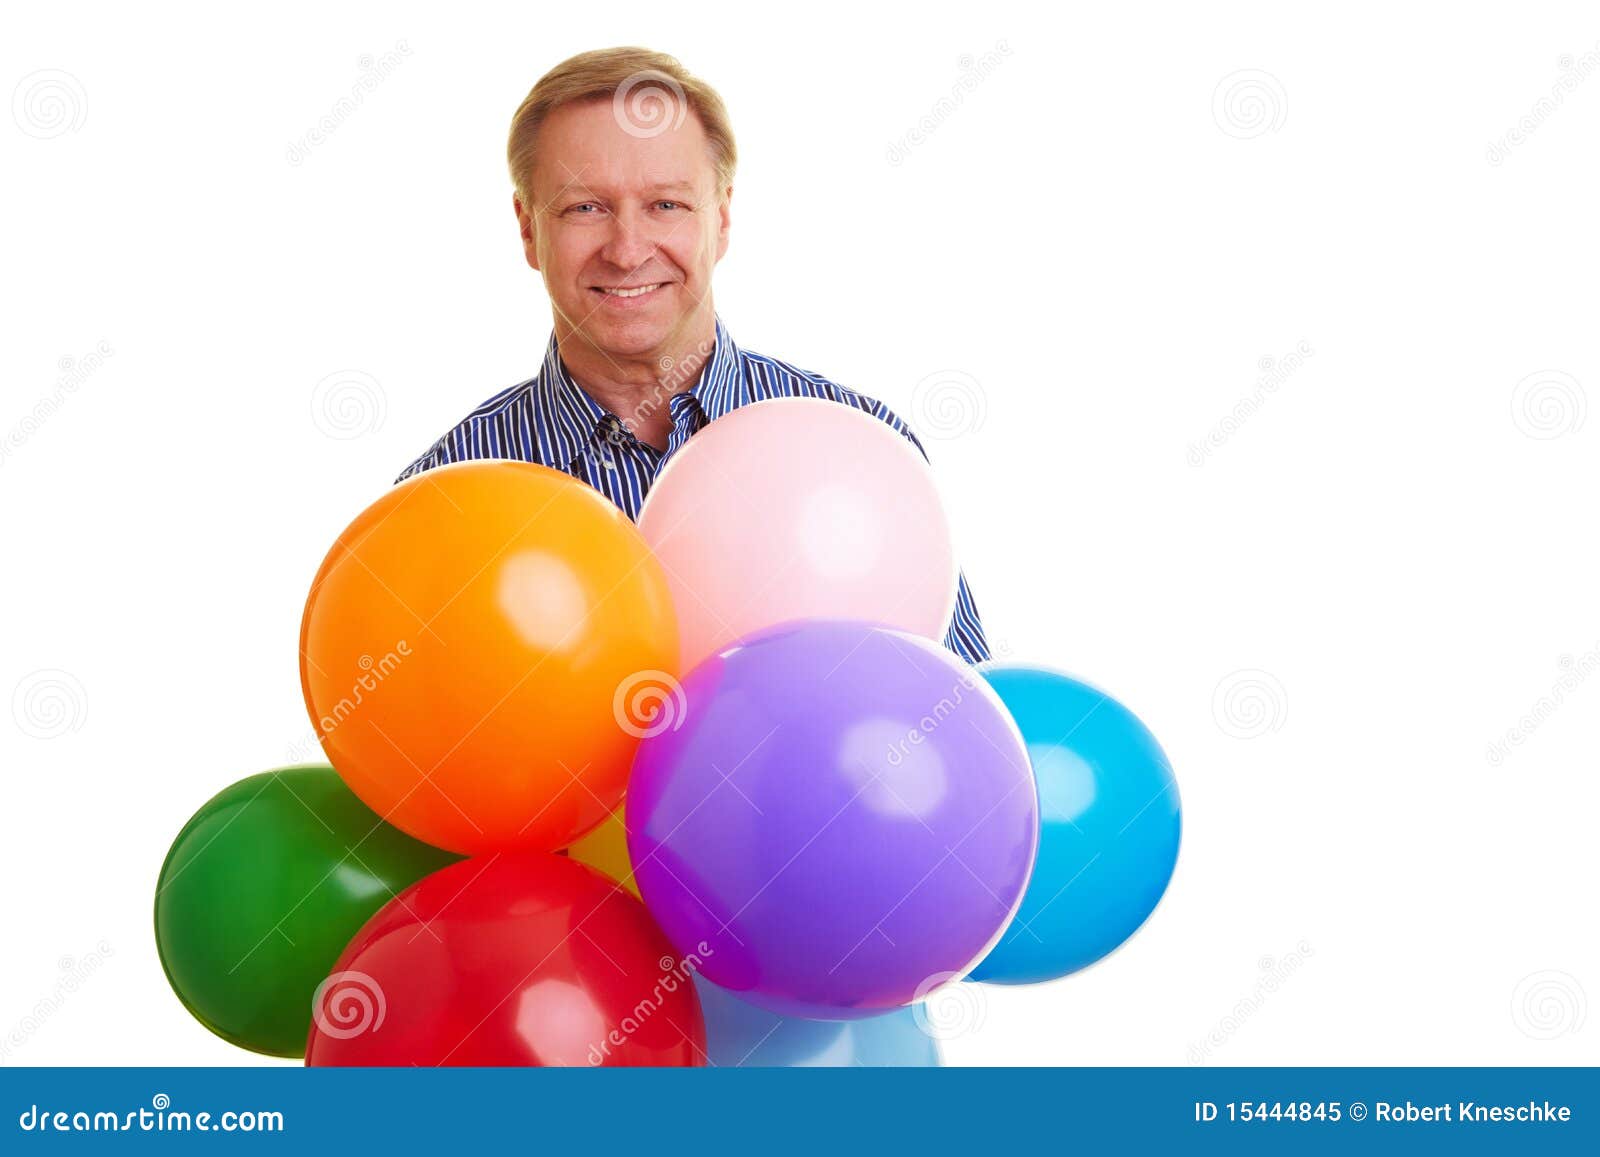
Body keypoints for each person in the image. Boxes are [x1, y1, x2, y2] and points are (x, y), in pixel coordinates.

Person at [398, 46, 990, 663]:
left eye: (666, 204)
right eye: (585, 208)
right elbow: (406, 748)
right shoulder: (438, 504)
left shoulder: (867, 453)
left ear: (723, 217)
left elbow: (966, 724)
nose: (627, 251)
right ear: (528, 229)